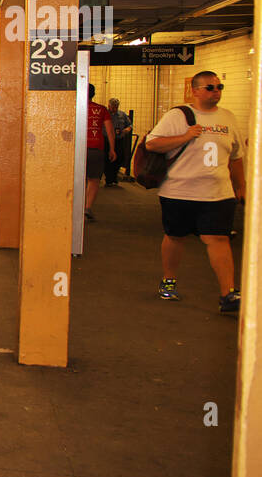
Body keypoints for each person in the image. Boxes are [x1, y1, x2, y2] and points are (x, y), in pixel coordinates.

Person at [145, 71, 245, 312]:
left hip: (218, 194)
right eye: (210, 87)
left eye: (219, 87)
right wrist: (185, 136)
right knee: (175, 236)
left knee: (218, 239)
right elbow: (152, 143)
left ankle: (228, 293)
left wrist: (240, 185)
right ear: (195, 90)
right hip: (179, 191)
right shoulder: (177, 116)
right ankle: (169, 280)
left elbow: (236, 156)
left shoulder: (228, 118)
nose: (216, 91)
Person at [83, 84, 116, 221]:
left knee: (77, 180)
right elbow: (110, 131)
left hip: (78, 149)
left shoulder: (74, 107)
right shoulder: (101, 109)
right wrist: (112, 149)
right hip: (96, 149)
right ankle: (88, 208)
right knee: (94, 180)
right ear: (93, 94)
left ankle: (74, 207)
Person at [105, 97, 131, 186]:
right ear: (109, 106)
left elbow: (129, 125)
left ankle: (114, 177)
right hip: (107, 140)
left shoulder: (122, 115)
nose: (115, 109)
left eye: (116, 107)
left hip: (119, 140)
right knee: (107, 159)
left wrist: (126, 130)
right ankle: (108, 179)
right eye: (113, 107)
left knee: (119, 158)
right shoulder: (105, 114)